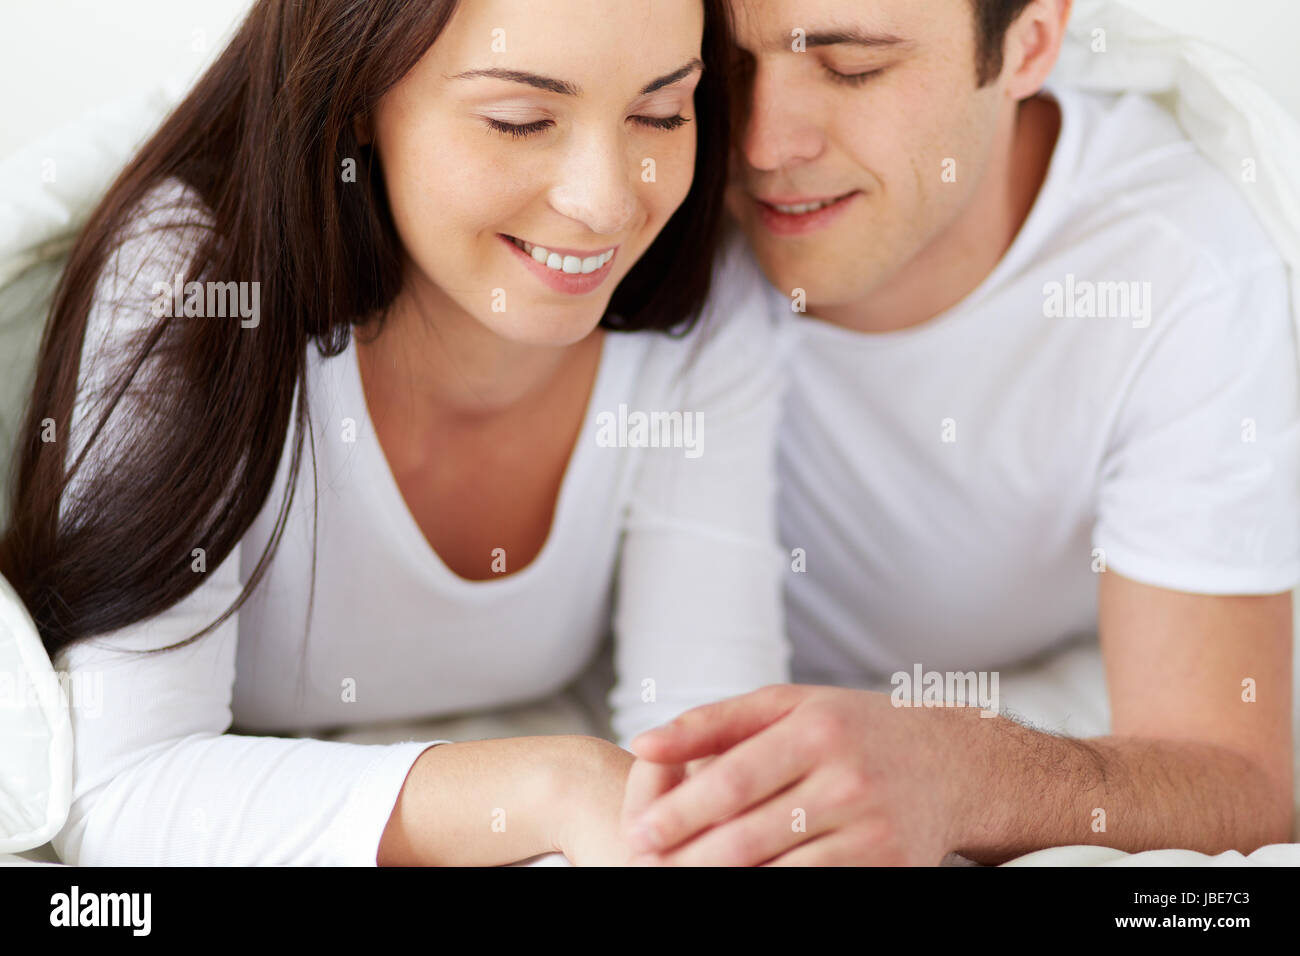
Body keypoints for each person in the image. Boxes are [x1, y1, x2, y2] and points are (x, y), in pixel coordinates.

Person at [0, 0, 789, 866]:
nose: (605, 202)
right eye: (520, 120)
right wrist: (556, 789)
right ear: (356, 98)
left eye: (660, 112)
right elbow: (119, 791)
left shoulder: (709, 305)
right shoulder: (193, 284)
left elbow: (708, 756)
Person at [624, 0, 1299, 865]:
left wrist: (960, 772)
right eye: (728, 66)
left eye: (852, 67)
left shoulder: (1177, 265)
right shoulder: (640, 198)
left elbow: (1239, 783)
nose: (762, 145)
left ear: (1030, 44)